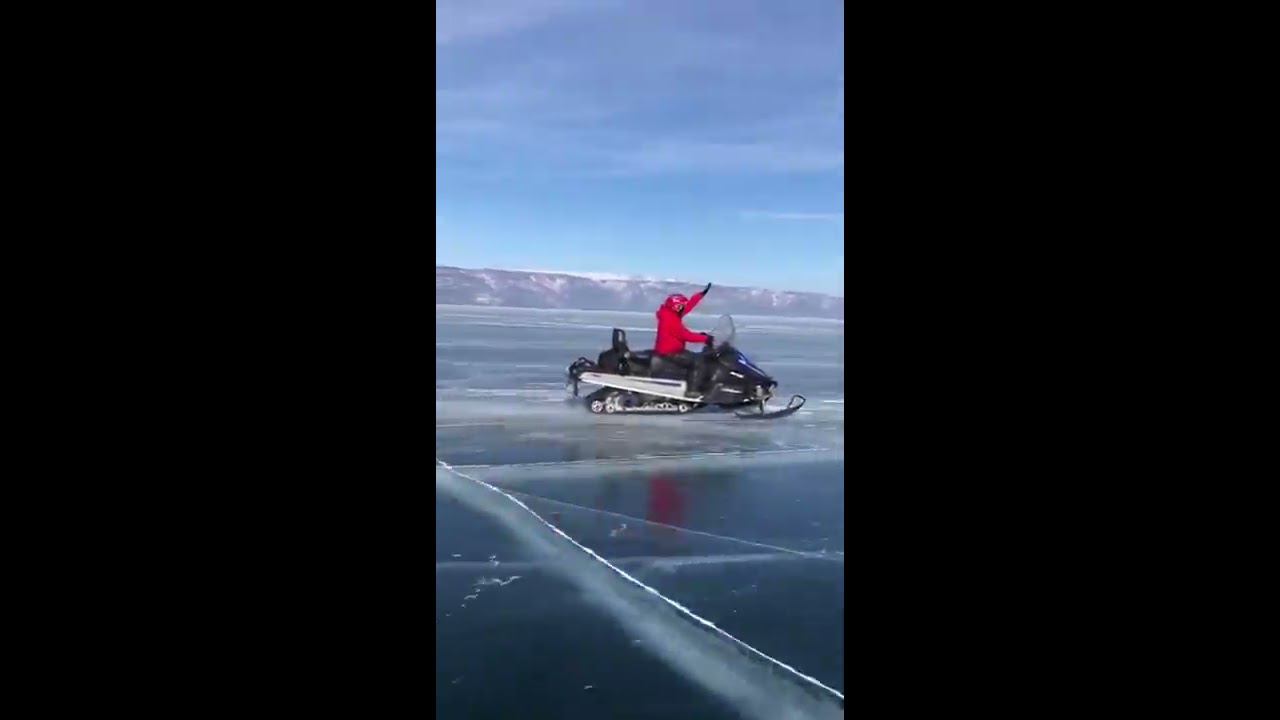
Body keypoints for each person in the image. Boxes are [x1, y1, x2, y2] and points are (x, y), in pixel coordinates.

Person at [654, 283, 714, 397]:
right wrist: (705, 338)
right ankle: (692, 390)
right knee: (698, 362)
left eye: (682, 306)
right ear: (675, 307)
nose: (682, 308)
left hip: (673, 349)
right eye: (680, 306)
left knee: (699, 357)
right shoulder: (670, 319)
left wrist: (700, 295)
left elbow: (688, 307)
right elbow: (685, 335)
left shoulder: (670, 313)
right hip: (670, 352)